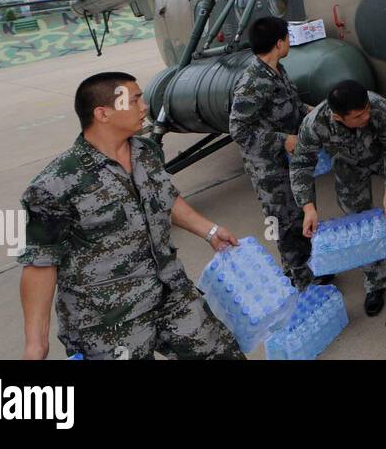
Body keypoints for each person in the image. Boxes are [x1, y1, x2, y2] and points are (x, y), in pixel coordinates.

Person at [17, 71, 243, 360]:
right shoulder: (55, 185)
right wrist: (35, 344)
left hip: (170, 292)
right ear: (103, 113)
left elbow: (164, 196)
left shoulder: (146, 152)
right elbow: (40, 264)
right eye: (134, 100)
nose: (144, 107)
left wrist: (209, 231)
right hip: (108, 322)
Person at [291, 80, 386, 317]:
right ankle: (375, 283)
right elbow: (300, 165)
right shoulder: (314, 124)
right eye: (358, 116)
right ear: (339, 118)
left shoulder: (379, 107)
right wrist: (308, 207)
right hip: (350, 167)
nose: (366, 117)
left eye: (367, 109)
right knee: (360, 223)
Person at [228, 16, 316, 289]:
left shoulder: (277, 70)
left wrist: (314, 113)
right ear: (279, 43)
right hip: (268, 169)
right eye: (288, 38)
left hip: (289, 161)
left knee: (301, 215)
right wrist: (281, 140)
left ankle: (309, 266)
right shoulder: (253, 82)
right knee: (283, 223)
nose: (289, 42)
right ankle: (300, 282)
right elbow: (238, 130)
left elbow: (292, 104)